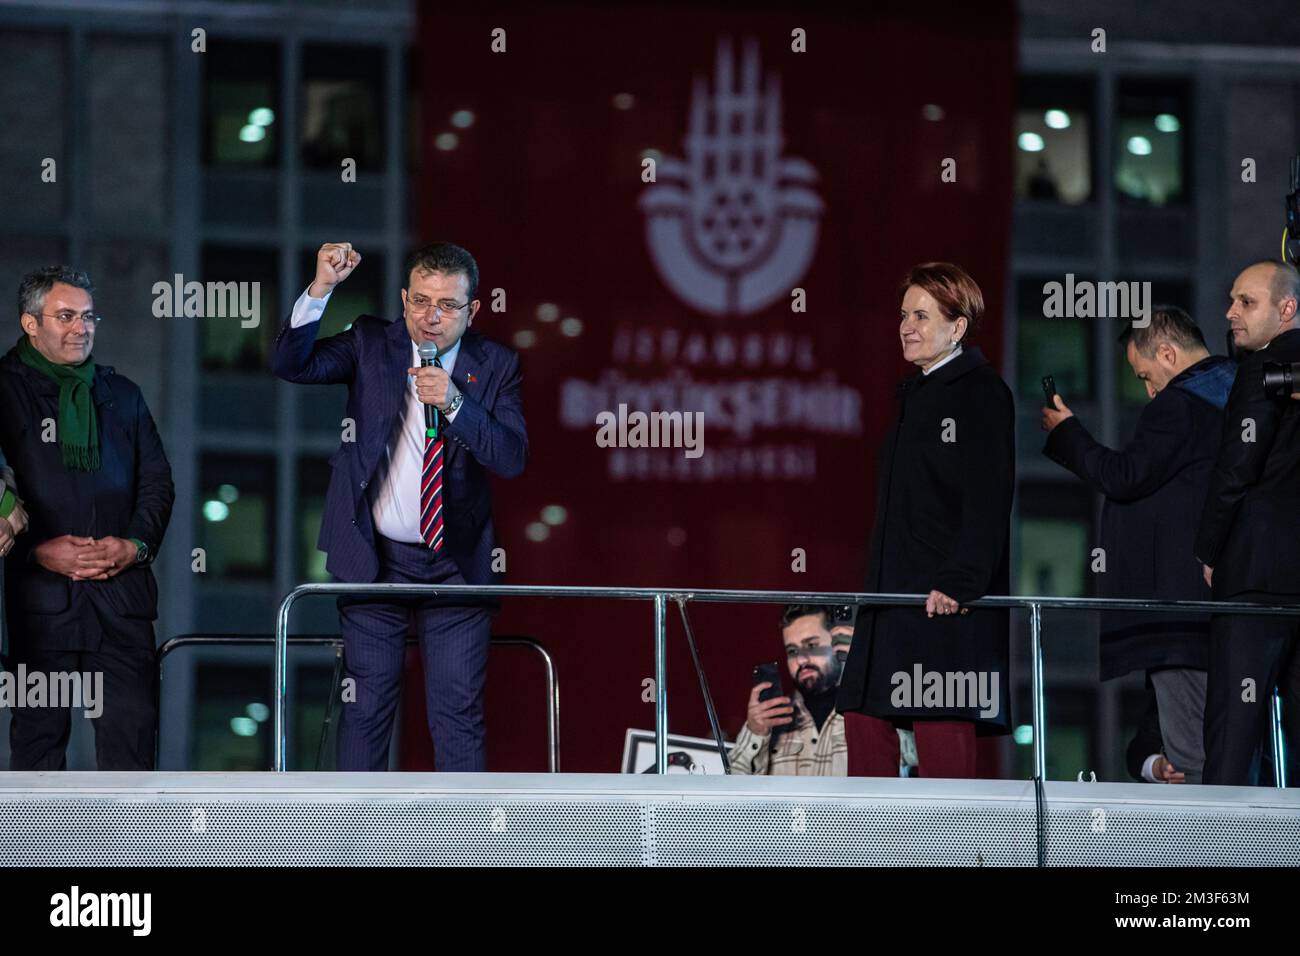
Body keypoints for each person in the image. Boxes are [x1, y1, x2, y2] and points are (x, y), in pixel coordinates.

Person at [271, 241, 527, 772]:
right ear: (404, 299)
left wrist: (455, 402)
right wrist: (321, 289)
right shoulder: (370, 342)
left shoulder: (496, 364)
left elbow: (511, 456)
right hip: (375, 559)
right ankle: (352, 845)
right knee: (365, 710)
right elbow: (291, 365)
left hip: (456, 564)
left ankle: (462, 850)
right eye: (420, 302)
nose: (431, 318)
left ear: (472, 310)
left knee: (456, 713)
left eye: (447, 306)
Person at [1040, 306, 1235, 785]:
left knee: (1195, 767)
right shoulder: (1241, 396)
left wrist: (1068, 434)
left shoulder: (1179, 403)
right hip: (1226, 614)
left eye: (1146, 375)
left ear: (1168, 353)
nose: (1148, 391)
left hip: (1180, 618)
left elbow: (1125, 477)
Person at [837, 262, 1014, 778]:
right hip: (892, 593)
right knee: (863, 715)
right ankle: (866, 852)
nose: (906, 326)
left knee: (942, 728)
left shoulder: (980, 391)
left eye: (921, 315)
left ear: (957, 327)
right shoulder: (916, 393)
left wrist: (959, 582)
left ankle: (956, 851)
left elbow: (988, 496)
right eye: (903, 314)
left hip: (943, 599)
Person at [0, 266, 174, 770]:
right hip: (39, 604)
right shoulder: (5, 388)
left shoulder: (122, 394)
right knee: (38, 751)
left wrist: (134, 546)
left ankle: (129, 853)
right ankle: (36, 853)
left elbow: (157, 484)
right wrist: (37, 551)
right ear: (31, 324)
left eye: (88, 316)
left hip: (122, 604)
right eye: (66, 316)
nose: (82, 327)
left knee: (132, 751)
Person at [1194, 260, 1300, 786]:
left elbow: (1236, 467)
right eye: (1232, 300)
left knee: (1235, 741)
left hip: (1256, 577)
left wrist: (1209, 549)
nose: (1231, 313)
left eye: (1247, 302)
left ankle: (1222, 854)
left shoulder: (1261, 370)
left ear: (1288, 309)